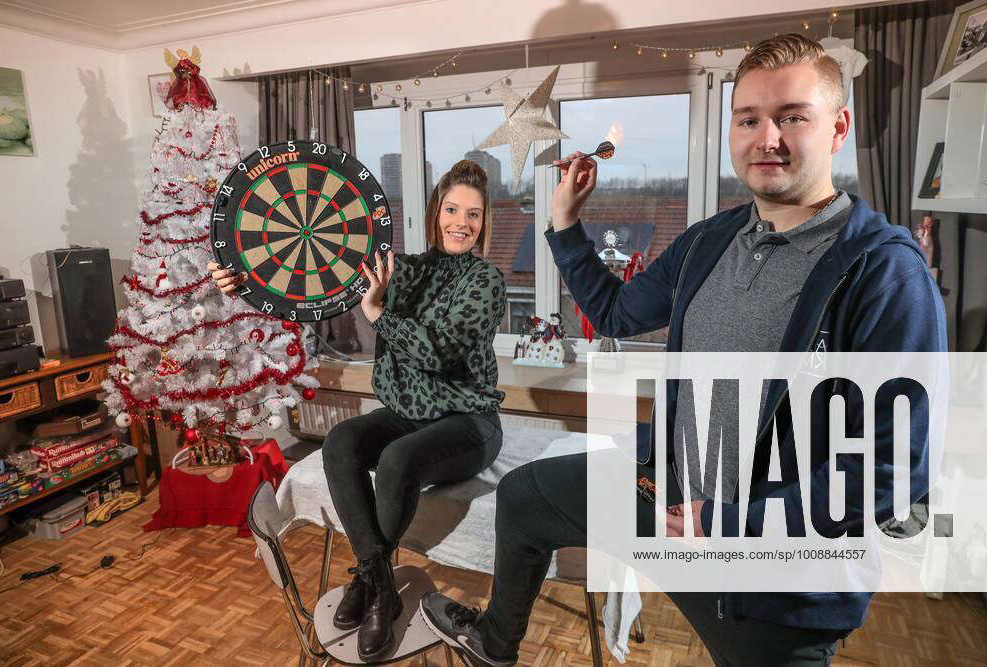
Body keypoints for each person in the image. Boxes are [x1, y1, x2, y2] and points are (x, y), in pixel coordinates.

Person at [420, 34, 947, 666]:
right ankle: (494, 645)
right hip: (660, 498)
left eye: (791, 117)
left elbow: (893, 468)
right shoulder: (708, 241)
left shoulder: (885, 271)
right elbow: (616, 311)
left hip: (765, 575)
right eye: (749, 118)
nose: (767, 137)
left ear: (837, 128)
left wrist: (732, 526)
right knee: (525, 498)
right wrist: (565, 222)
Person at [211, 160, 507, 662]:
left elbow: (438, 352)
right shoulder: (404, 268)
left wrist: (377, 313)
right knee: (342, 440)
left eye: (473, 215)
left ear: (483, 223)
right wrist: (246, 278)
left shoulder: (487, 282)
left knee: (397, 461)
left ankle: (369, 582)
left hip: (468, 421)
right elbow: (322, 263)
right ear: (437, 213)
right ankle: (377, 581)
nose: (462, 222)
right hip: (409, 411)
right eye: (453, 209)